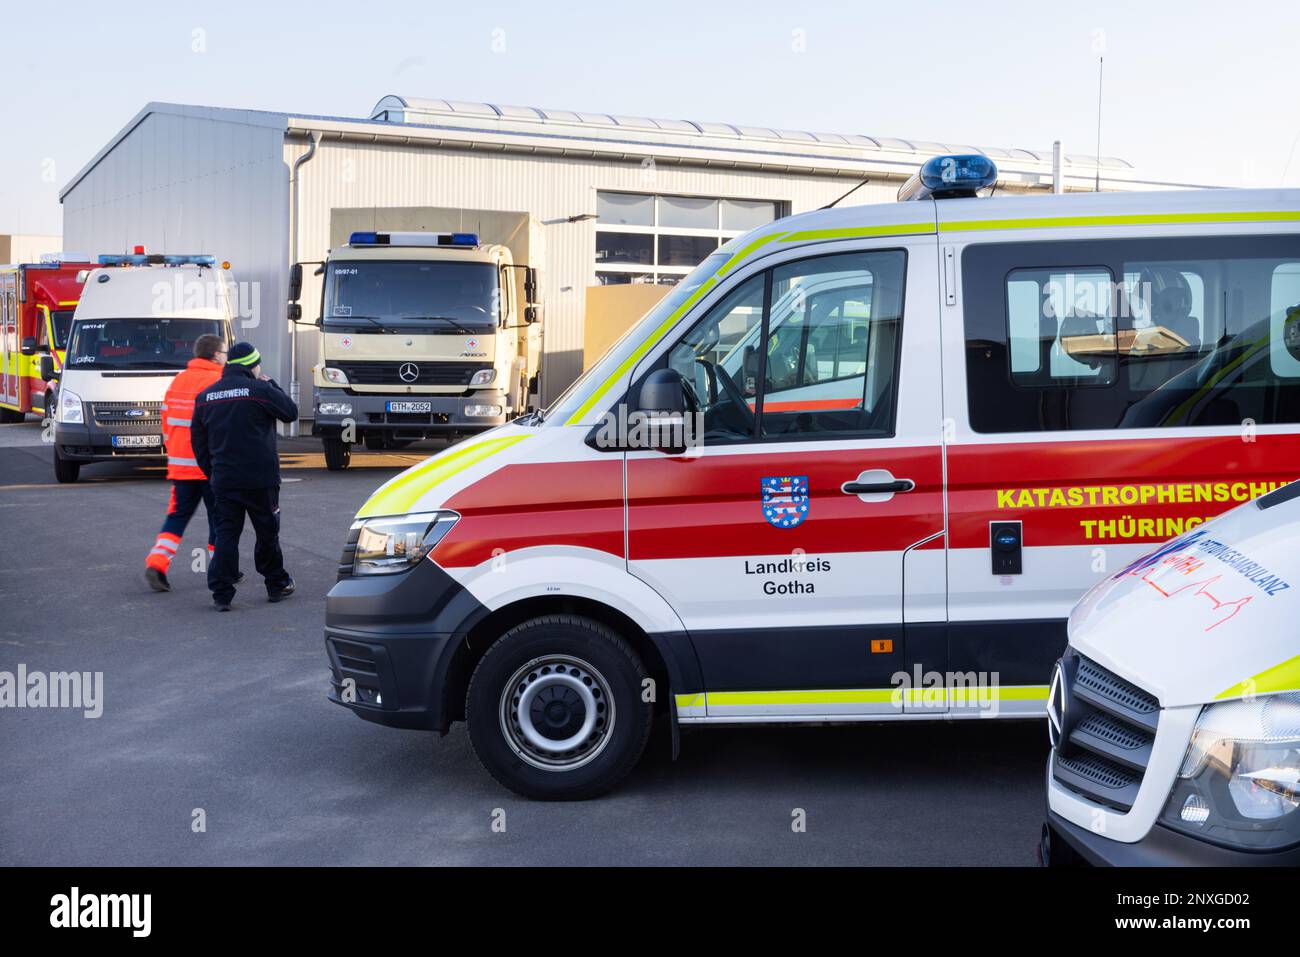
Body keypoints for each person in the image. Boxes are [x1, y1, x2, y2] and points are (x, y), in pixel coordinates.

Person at [190, 341, 298, 611]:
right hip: (261, 480)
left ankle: (221, 593)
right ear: (252, 365)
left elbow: (199, 444)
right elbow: (290, 412)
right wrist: (272, 385)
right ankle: (276, 583)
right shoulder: (261, 390)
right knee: (267, 532)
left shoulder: (205, 397)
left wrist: (213, 474)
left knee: (226, 534)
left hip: (225, 480)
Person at [145, 334, 227, 592]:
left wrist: (175, 453)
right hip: (210, 466)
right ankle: (222, 569)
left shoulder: (178, 380)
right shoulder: (218, 382)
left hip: (181, 466)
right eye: (225, 353)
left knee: (177, 517)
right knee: (219, 519)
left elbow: (166, 422)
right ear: (216, 355)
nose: (226, 358)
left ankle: (157, 563)